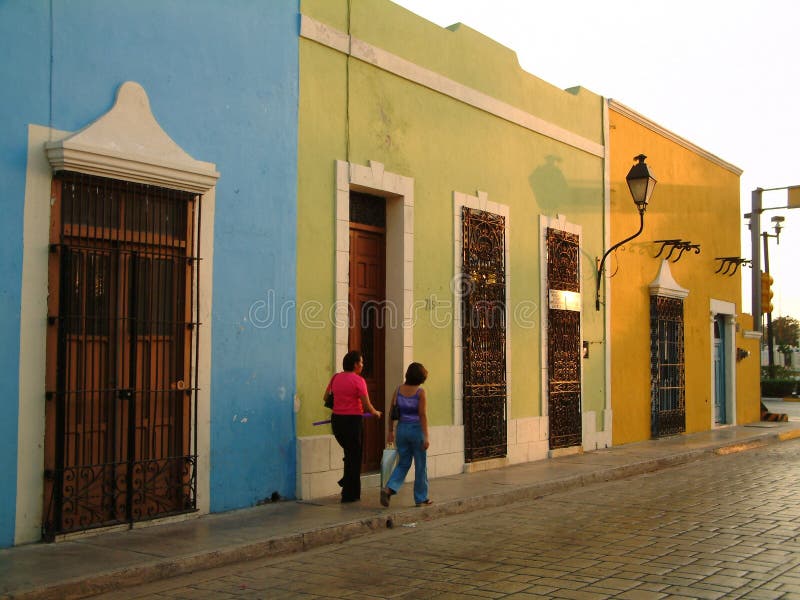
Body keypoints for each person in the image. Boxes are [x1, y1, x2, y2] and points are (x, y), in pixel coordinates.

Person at [324, 350, 381, 503]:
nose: (362, 365)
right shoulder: (358, 380)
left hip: (337, 422)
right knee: (354, 457)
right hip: (353, 422)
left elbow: (325, 397)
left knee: (350, 455)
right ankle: (349, 494)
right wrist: (376, 413)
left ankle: (350, 490)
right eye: (361, 362)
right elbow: (367, 405)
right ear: (355, 364)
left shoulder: (335, 378)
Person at [381, 362, 431, 507]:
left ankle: (389, 489)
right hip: (416, 430)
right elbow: (422, 415)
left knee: (403, 462)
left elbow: (392, 412)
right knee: (420, 465)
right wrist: (426, 436)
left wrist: (390, 431)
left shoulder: (398, 390)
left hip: (401, 430)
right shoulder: (420, 392)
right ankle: (421, 497)